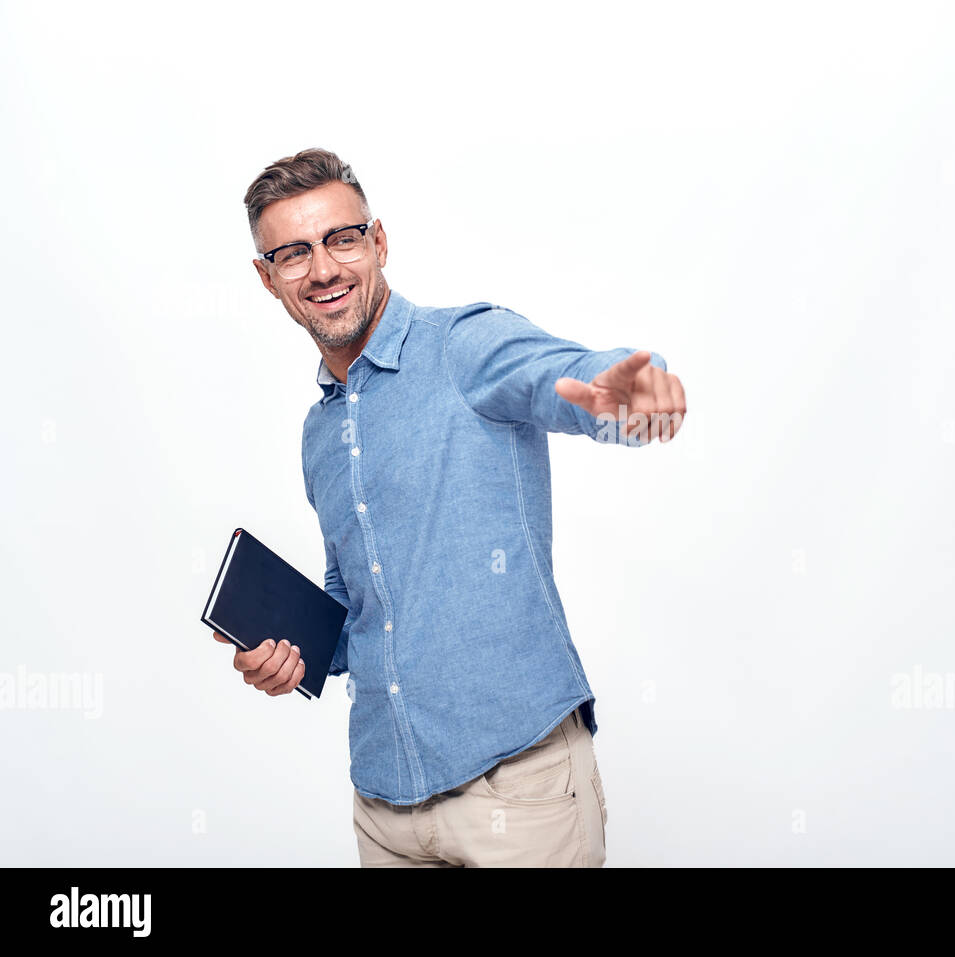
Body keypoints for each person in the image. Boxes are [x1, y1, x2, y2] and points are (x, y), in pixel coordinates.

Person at [211, 148, 686, 867]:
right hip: (384, 808)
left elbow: (566, 375)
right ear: (267, 277)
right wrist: (293, 652)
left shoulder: (465, 344)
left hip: (518, 793)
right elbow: (358, 605)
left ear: (378, 241)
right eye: (294, 253)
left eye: (342, 238)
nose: (324, 269)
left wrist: (626, 393)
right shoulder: (320, 434)